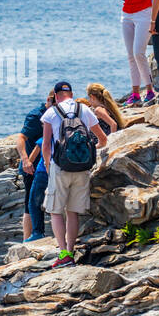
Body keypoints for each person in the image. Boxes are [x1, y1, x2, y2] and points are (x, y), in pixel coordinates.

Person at [41, 81, 109, 268]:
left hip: (60, 167)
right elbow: (102, 139)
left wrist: (48, 165)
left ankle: (64, 254)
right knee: (73, 212)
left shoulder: (50, 113)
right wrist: (89, 152)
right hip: (82, 168)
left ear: (55, 96)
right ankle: (71, 250)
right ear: (71, 93)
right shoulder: (85, 110)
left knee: (55, 211)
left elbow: (46, 145)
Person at [102, 0, 156, 106]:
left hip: (145, 13)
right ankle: (135, 94)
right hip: (127, 15)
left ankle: (150, 91)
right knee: (130, 55)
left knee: (139, 52)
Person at [17, 92, 54, 241]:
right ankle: (28, 240)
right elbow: (21, 138)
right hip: (32, 166)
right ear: (48, 100)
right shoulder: (35, 116)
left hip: (49, 165)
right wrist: (25, 160)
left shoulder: (58, 113)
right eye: (55, 103)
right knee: (31, 202)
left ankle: (43, 234)